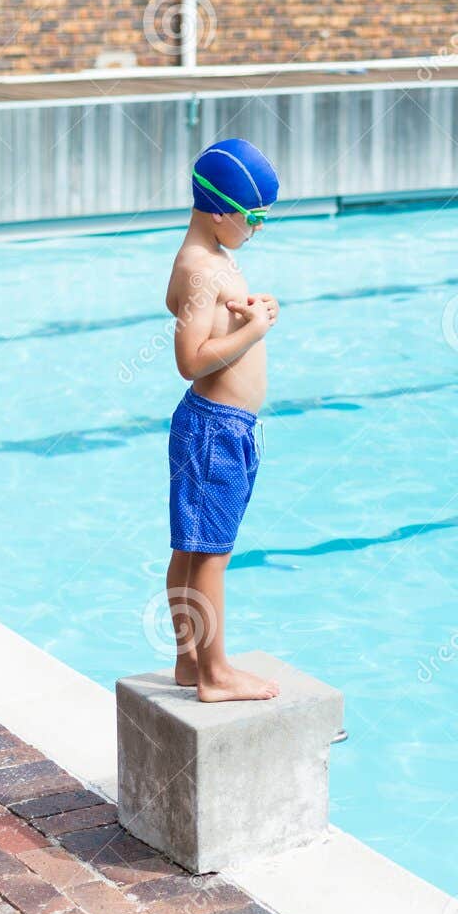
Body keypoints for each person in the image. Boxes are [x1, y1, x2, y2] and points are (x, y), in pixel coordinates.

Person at [164, 139, 281, 702]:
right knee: (211, 556)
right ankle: (214, 673)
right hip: (216, 428)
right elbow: (189, 360)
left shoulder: (203, 259)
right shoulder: (203, 268)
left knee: (190, 552)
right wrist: (252, 331)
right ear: (219, 212)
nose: (258, 228)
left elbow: (180, 304)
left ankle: (189, 663)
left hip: (215, 428)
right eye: (254, 217)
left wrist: (242, 308)